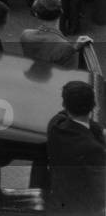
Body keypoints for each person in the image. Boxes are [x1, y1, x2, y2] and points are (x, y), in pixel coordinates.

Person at [45, 80, 106, 216]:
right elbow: (101, 194)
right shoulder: (94, 150)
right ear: (93, 106)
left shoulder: (54, 126)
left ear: (64, 105)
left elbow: (63, 115)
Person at [21, 0, 93, 69]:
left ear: (36, 14)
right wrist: (71, 50)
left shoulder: (25, 35)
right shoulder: (64, 47)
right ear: (61, 12)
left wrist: (72, 49)